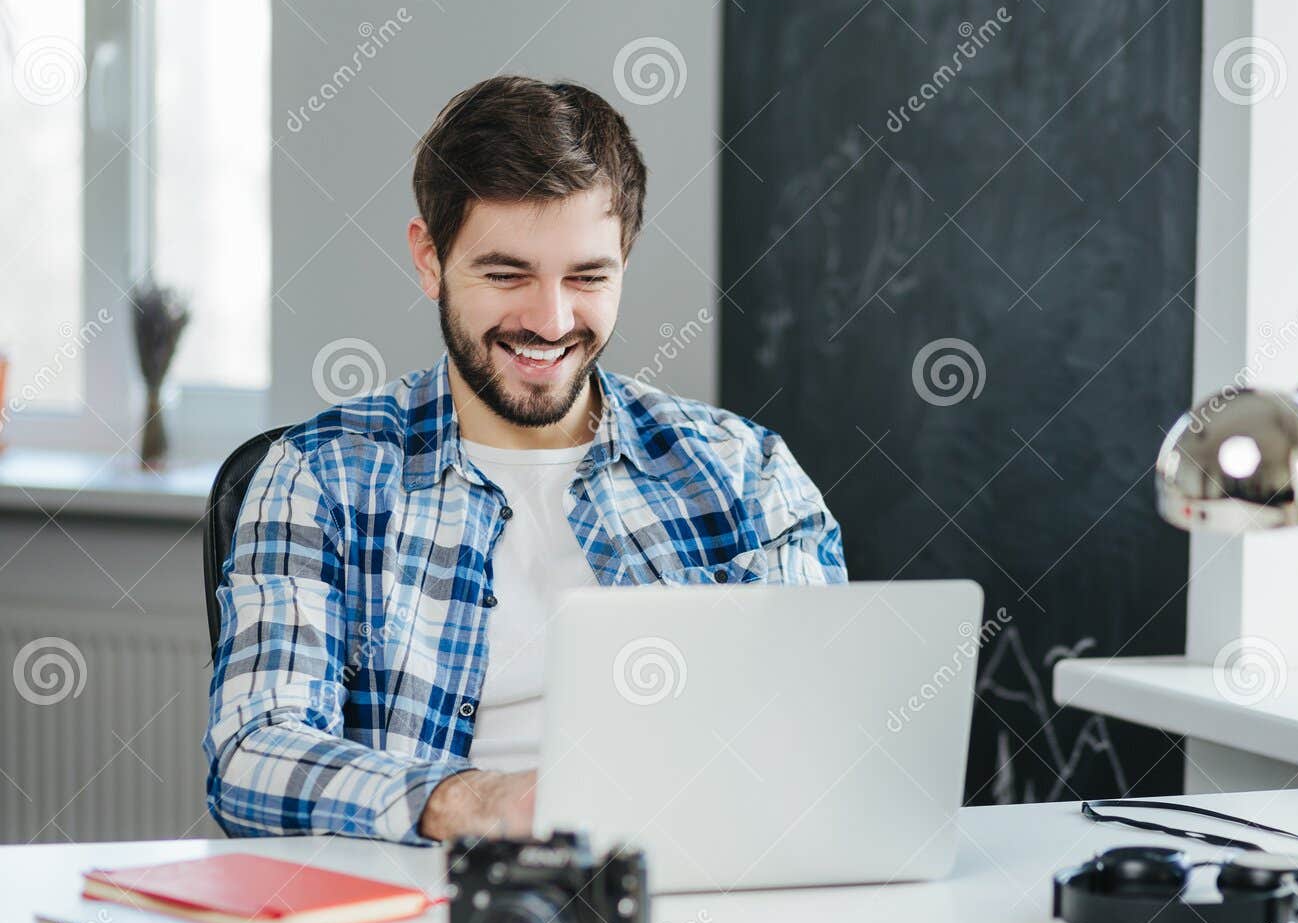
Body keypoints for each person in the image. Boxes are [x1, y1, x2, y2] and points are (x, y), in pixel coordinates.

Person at [204, 77, 845, 845]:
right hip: (431, 915)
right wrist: (480, 805)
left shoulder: (746, 473)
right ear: (430, 259)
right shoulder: (319, 477)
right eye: (506, 275)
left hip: (701, 894)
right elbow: (252, 754)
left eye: (587, 277)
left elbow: (821, 737)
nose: (550, 320)